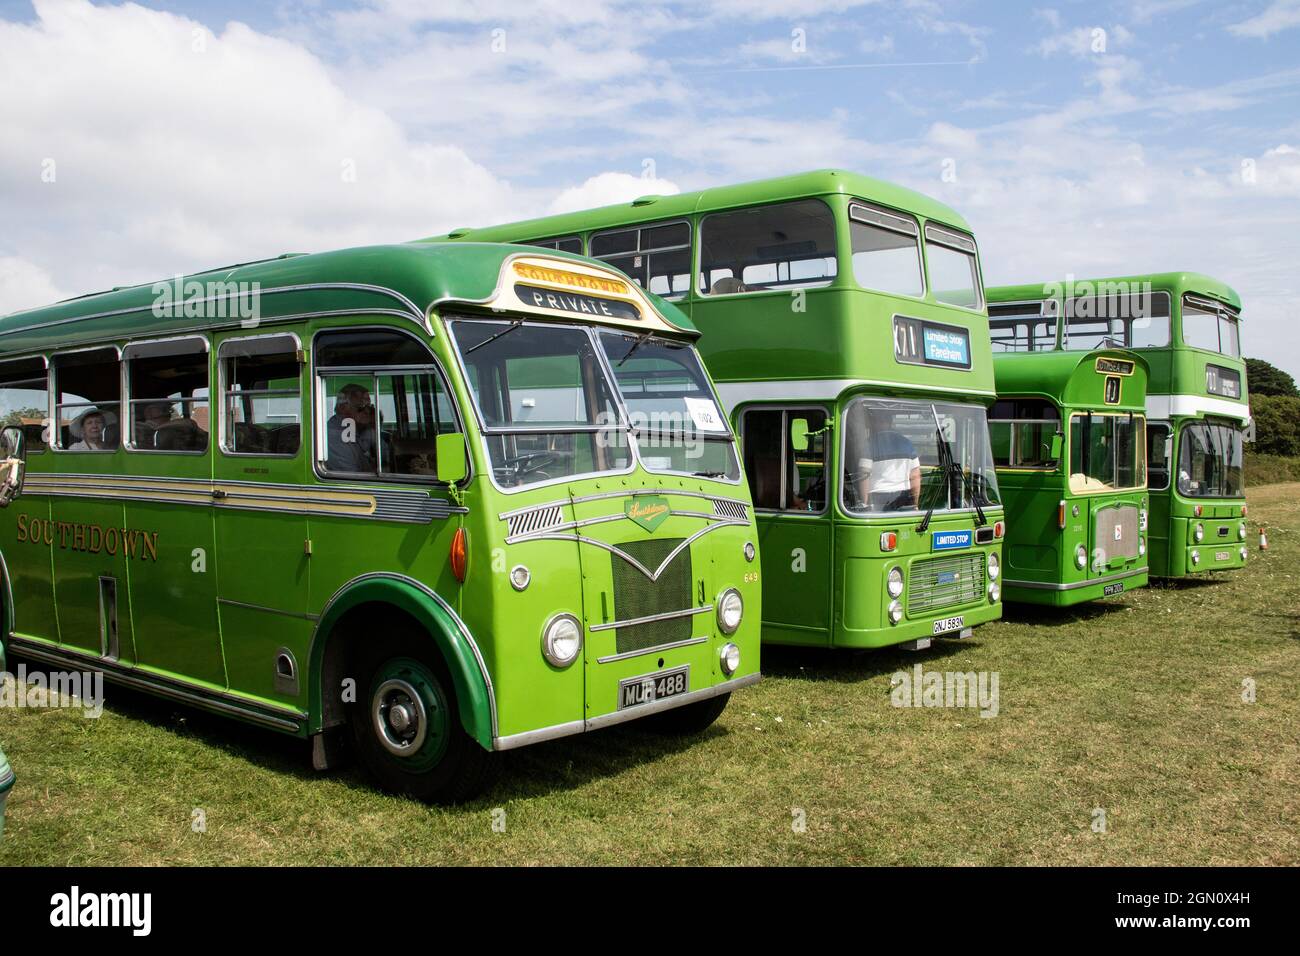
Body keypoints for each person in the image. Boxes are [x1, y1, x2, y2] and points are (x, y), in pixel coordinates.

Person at [850, 406, 921, 511]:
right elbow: (915, 476)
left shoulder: (869, 444)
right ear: (890, 423)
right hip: (904, 496)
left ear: (874, 424)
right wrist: (915, 504)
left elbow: (864, 475)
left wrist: (864, 504)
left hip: (877, 498)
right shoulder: (907, 443)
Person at [326, 383, 376, 473]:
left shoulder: (358, 429)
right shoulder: (336, 436)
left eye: (369, 407)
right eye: (361, 407)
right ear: (343, 407)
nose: (367, 411)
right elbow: (351, 477)